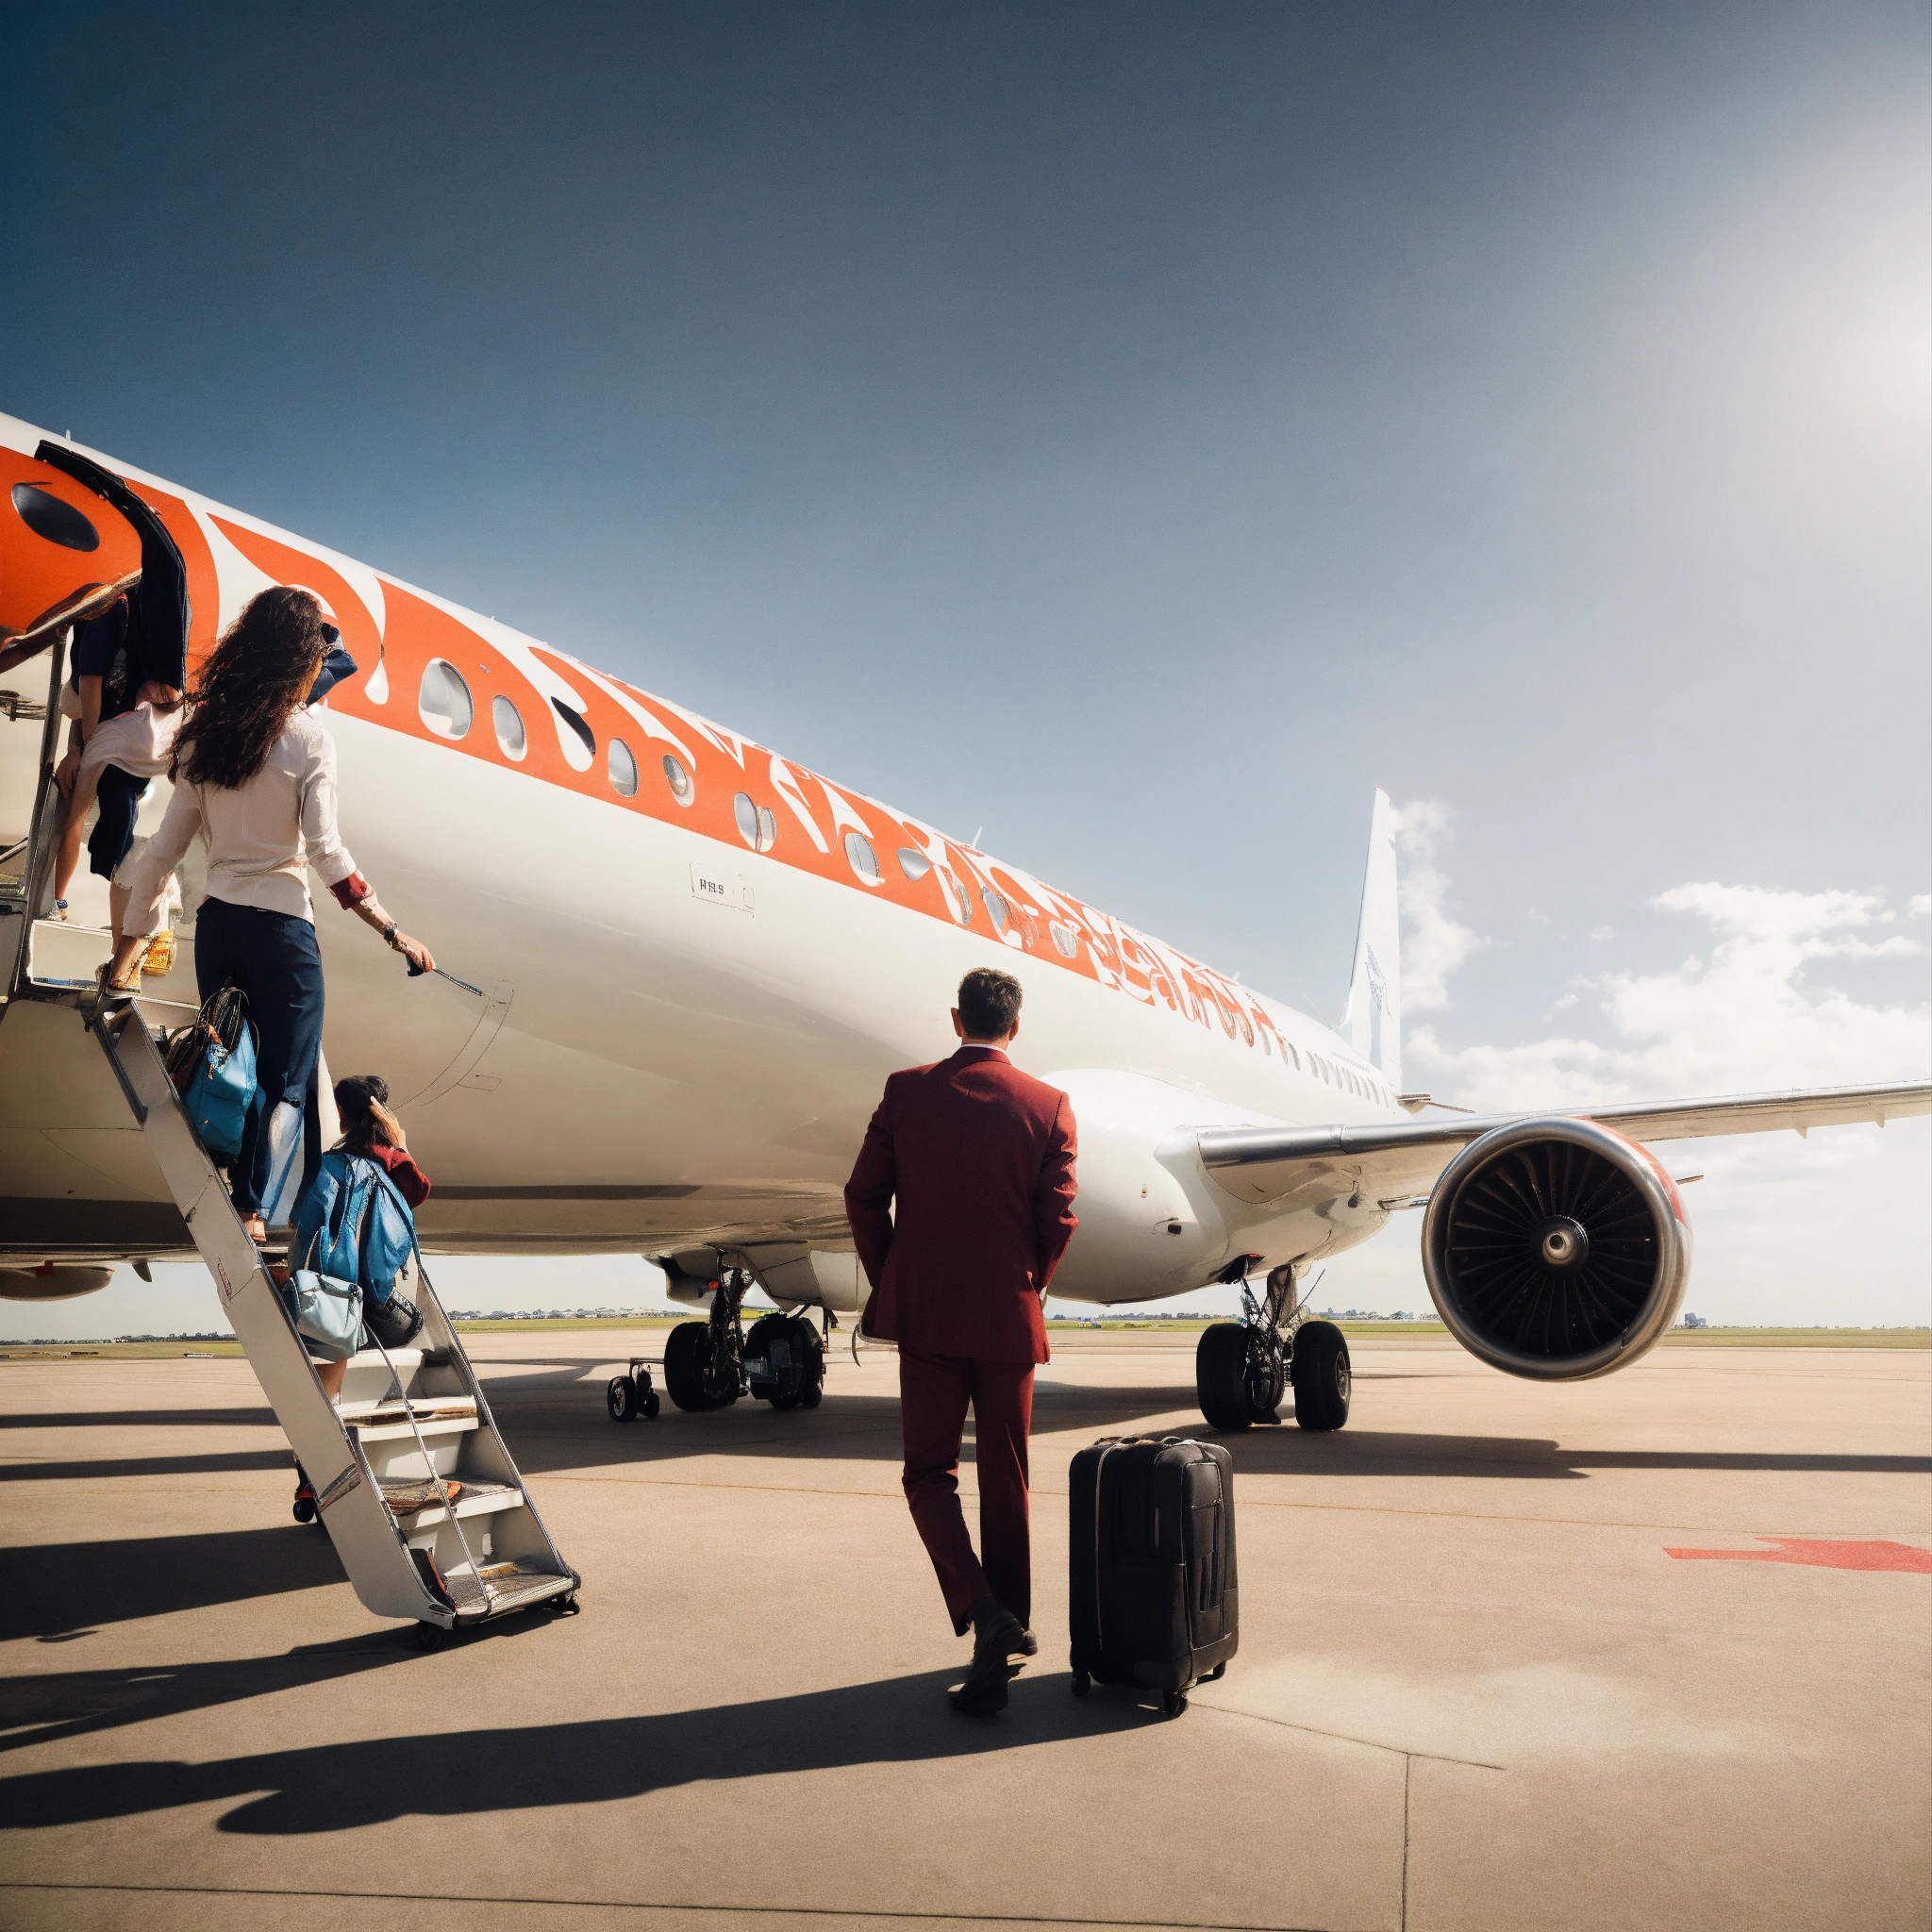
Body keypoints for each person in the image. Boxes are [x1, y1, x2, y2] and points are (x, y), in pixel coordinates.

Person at [106, 587, 436, 1243]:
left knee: (230, 1067)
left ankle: (238, 1188)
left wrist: (129, 947)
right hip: (282, 932)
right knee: (282, 1082)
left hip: (219, 928)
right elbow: (327, 854)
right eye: (317, 657)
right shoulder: (309, 740)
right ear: (298, 662)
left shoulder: (204, 739)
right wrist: (393, 931)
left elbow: (159, 855)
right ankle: (254, 1209)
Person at [844, 965, 1079, 1717]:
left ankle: (985, 1616)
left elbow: (861, 1194)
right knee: (1007, 1481)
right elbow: (1061, 1218)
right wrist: (1028, 1281)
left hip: (928, 1319)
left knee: (927, 1476)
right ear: (1014, 1028)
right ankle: (1000, 1644)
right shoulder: (1049, 1105)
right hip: (1007, 1318)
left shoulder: (907, 1091)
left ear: (956, 1020)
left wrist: (894, 1282)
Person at [289, 1074, 436, 1518]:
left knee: (326, 1391)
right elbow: (418, 1193)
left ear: (342, 1115)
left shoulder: (331, 1166)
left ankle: (312, 1478)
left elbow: (307, 1231)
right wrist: (400, 1144)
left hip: (340, 1305)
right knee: (413, 1324)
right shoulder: (392, 1162)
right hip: (384, 1313)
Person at [51, 675, 184, 944]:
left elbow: (78, 699)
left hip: (132, 750)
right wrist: (74, 749)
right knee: (117, 844)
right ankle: (98, 925)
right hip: (118, 749)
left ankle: (113, 933)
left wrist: (75, 748)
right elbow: (77, 699)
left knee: (118, 841)